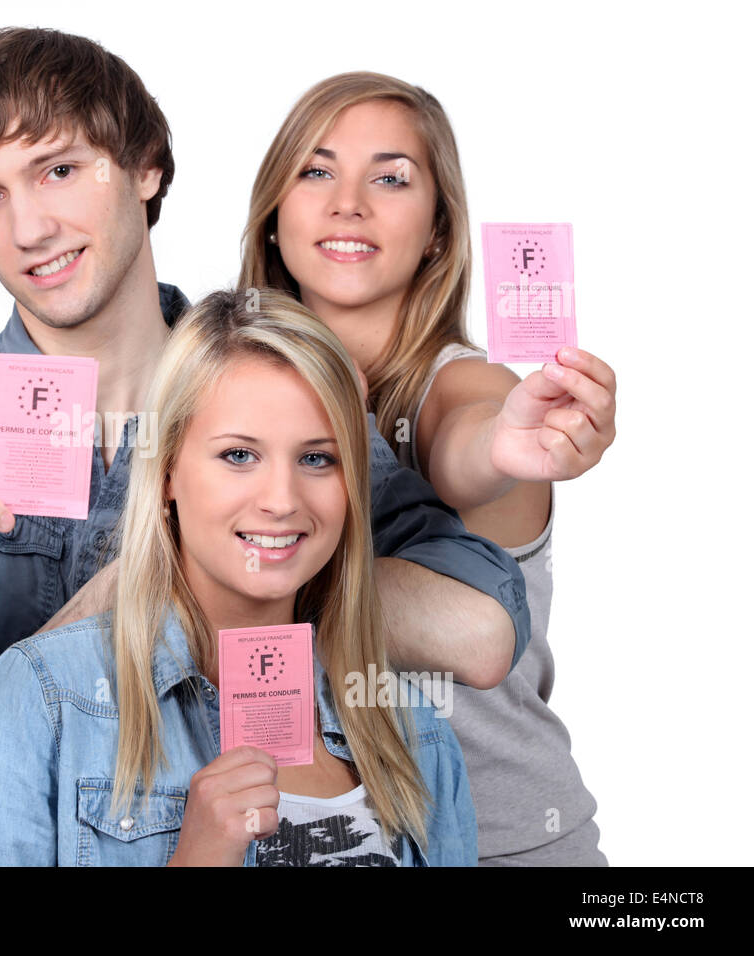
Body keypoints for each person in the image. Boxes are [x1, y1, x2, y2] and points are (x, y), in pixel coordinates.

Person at [0, 29, 527, 868]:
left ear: (145, 168)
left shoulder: (253, 378)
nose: (28, 227)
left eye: (58, 170)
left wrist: (219, 556)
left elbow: (482, 630)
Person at [0, 289, 475, 866]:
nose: (281, 501)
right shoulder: (38, 703)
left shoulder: (411, 729)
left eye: (316, 459)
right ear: (169, 469)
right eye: (238, 455)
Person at [237, 72, 617, 864]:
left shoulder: (464, 390)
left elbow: (465, 448)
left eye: (390, 177)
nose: (349, 202)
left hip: (499, 842)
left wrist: (506, 443)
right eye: (316, 170)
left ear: (439, 231)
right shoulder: (229, 386)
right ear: (274, 216)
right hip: (324, 837)